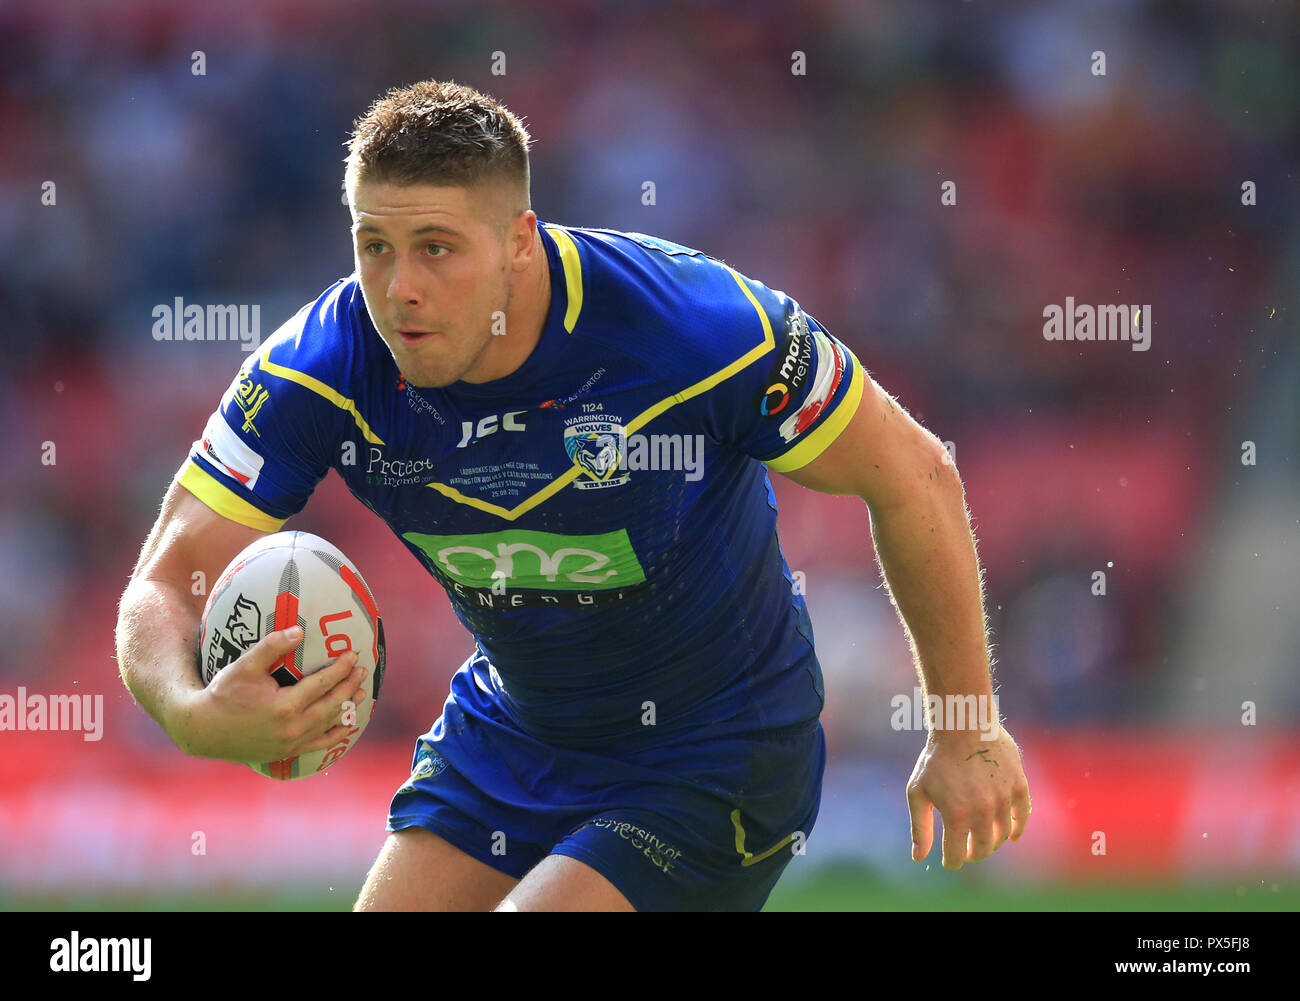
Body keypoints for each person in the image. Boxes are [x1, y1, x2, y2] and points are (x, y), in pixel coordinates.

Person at [115, 79, 1030, 912]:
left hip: (719, 747)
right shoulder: (318, 370)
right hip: (513, 727)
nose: (401, 290)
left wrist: (965, 727)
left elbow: (913, 474)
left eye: (437, 248)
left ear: (520, 240)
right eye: (374, 246)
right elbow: (162, 583)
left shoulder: (694, 329)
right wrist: (194, 715)